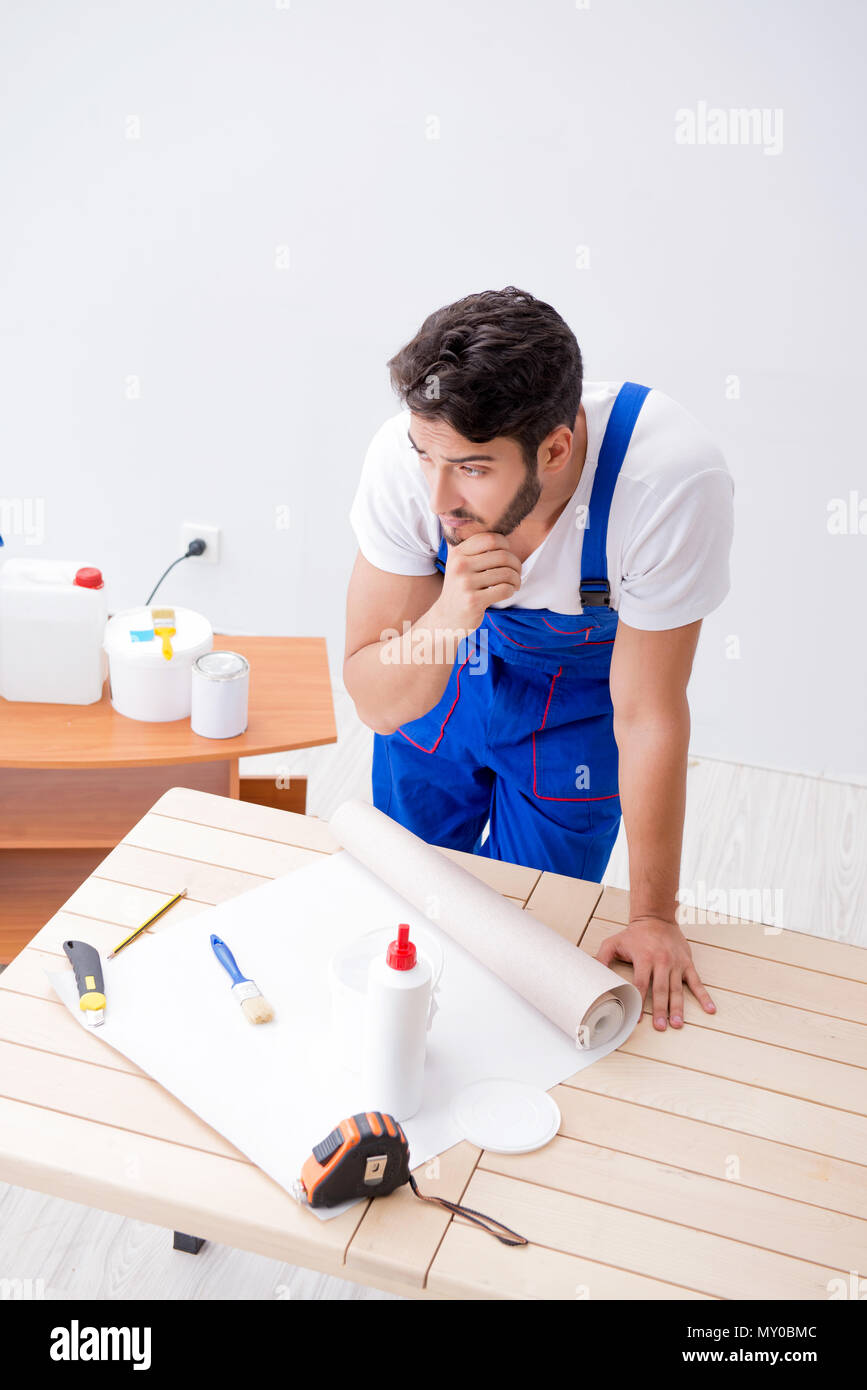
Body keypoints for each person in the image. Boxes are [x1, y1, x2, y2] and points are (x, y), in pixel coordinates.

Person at [344, 287, 734, 1032]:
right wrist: (452, 613)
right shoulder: (408, 466)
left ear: (555, 449)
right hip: (440, 671)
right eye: (425, 455)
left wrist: (652, 916)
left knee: (526, 943)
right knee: (406, 909)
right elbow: (375, 699)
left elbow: (648, 712)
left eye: (470, 469)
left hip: (582, 704)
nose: (438, 495)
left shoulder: (667, 484)